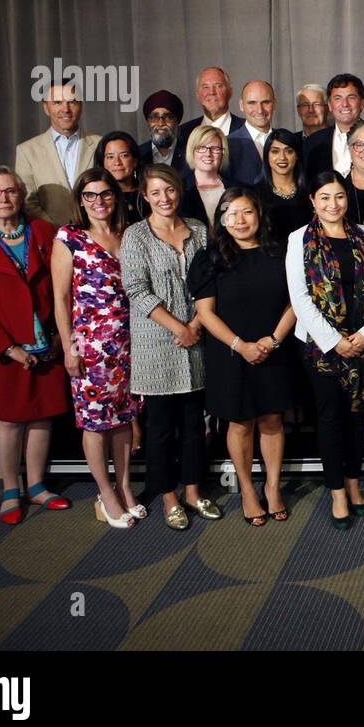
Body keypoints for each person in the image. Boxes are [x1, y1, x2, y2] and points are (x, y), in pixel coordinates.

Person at [0, 167, 72, 524]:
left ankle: (36, 486)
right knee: (9, 420)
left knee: (41, 415)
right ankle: (10, 488)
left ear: (21, 196)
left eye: (11, 191)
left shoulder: (43, 232)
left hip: (45, 344)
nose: (4, 198)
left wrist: (57, 335)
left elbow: (62, 286)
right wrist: (8, 348)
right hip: (5, 351)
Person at [189, 188, 297, 527]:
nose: (240, 220)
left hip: (274, 348)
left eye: (246, 212)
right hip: (230, 353)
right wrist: (241, 345)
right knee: (240, 422)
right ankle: (249, 490)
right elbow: (204, 313)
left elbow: (297, 300)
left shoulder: (279, 252)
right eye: (231, 213)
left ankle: (273, 488)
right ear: (221, 220)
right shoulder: (210, 258)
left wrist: (273, 340)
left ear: (259, 215)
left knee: (272, 420)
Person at [121, 165, 219, 530]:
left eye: (171, 190)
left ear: (180, 191)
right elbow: (136, 290)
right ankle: (167, 498)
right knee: (160, 428)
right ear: (144, 196)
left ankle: (193, 491)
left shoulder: (197, 230)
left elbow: (210, 281)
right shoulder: (136, 236)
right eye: (156, 192)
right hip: (156, 344)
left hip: (196, 339)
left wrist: (194, 325)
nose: (164, 198)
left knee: (195, 425)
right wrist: (178, 326)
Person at [285, 171, 364, 529]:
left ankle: (354, 486)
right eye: (324, 197)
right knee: (330, 419)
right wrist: (334, 341)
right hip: (319, 347)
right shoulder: (299, 240)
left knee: (359, 416)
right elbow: (300, 299)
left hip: (362, 343)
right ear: (312, 200)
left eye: (339, 196)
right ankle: (337, 492)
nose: (333, 204)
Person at [52, 168, 142, 529]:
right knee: (94, 422)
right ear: (81, 200)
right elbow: (59, 298)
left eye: (104, 194)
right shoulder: (69, 237)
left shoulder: (127, 233)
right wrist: (69, 346)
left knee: (122, 419)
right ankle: (104, 495)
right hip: (89, 347)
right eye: (90, 195)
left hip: (129, 342)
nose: (98, 202)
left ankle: (124, 487)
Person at [14, 80, 100, 226]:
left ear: (81, 106)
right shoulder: (27, 150)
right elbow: (27, 201)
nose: (65, 109)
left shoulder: (100, 144)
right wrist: (58, 233)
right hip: (50, 238)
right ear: (46, 108)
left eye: (72, 102)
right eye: (57, 102)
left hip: (96, 235)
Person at [260, 128, 313, 239]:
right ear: (267, 155)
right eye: (275, 151)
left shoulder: (311, 191)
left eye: (289, 151)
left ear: (297, 155)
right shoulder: (255, 194)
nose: (282, 157)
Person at [226, 79, 277, 186]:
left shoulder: (287, 141)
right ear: (241, 105)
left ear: (274, 104)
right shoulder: (228, 145)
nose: (259, 110)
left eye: (266, 102)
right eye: (252, 103)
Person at [179, 124, 230, 226]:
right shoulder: (179, 188)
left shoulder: (235, 188)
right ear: (191, 151)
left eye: (215, 148)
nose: (208, 154)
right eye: (201, 148)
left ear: (223, 153)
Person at [96, 130, 145, 225]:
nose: (117, 162)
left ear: (135, 161)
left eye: (124, 155)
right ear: (102, 163)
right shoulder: (96, 197)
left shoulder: (149, 193)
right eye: (110, 157)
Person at [180, 66, 239, 140]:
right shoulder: (184, 132)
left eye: (218, 86)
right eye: (205, 87)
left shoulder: (247, 129)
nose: (211, 92)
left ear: (230, 92)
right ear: (197, 95)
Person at [139, 89, 187, 173]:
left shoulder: (191, 153)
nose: (161, 123)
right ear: (148, 121)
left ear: (177, 121)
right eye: (154, 117)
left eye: (168, 117)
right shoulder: (138, 154)